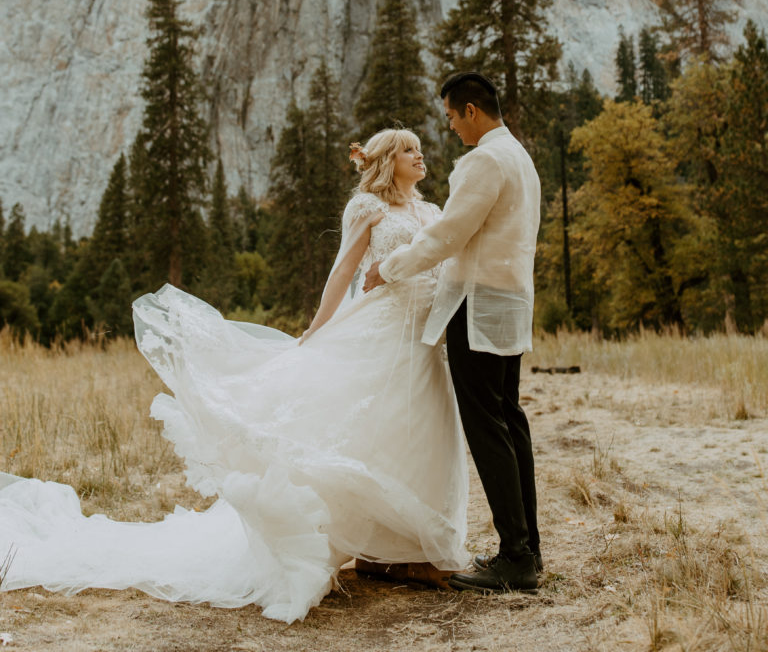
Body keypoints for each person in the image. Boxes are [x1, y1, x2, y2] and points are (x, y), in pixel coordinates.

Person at [0, 129, 468, 623]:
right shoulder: (366, 208)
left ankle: (404, 550)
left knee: (418, 433)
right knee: (366, 431)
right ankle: (370, 545)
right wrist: (315, 329)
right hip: (379, 332)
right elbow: (342, 272)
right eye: (409, 151)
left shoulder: (433, 211)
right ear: (388, 161)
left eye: (420, 149)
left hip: (425, 339)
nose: (421, 157)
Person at [364, 73, 541, 593]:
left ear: (469, 110)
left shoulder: (485, 160)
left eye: (449, 116)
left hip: (477, 307)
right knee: (511, 422)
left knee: (490, 429)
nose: (450, 127)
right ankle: (526, 549)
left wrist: (390, 267)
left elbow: (446, 235)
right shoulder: (521, 158)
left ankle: (515, 558)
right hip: (510, 303)